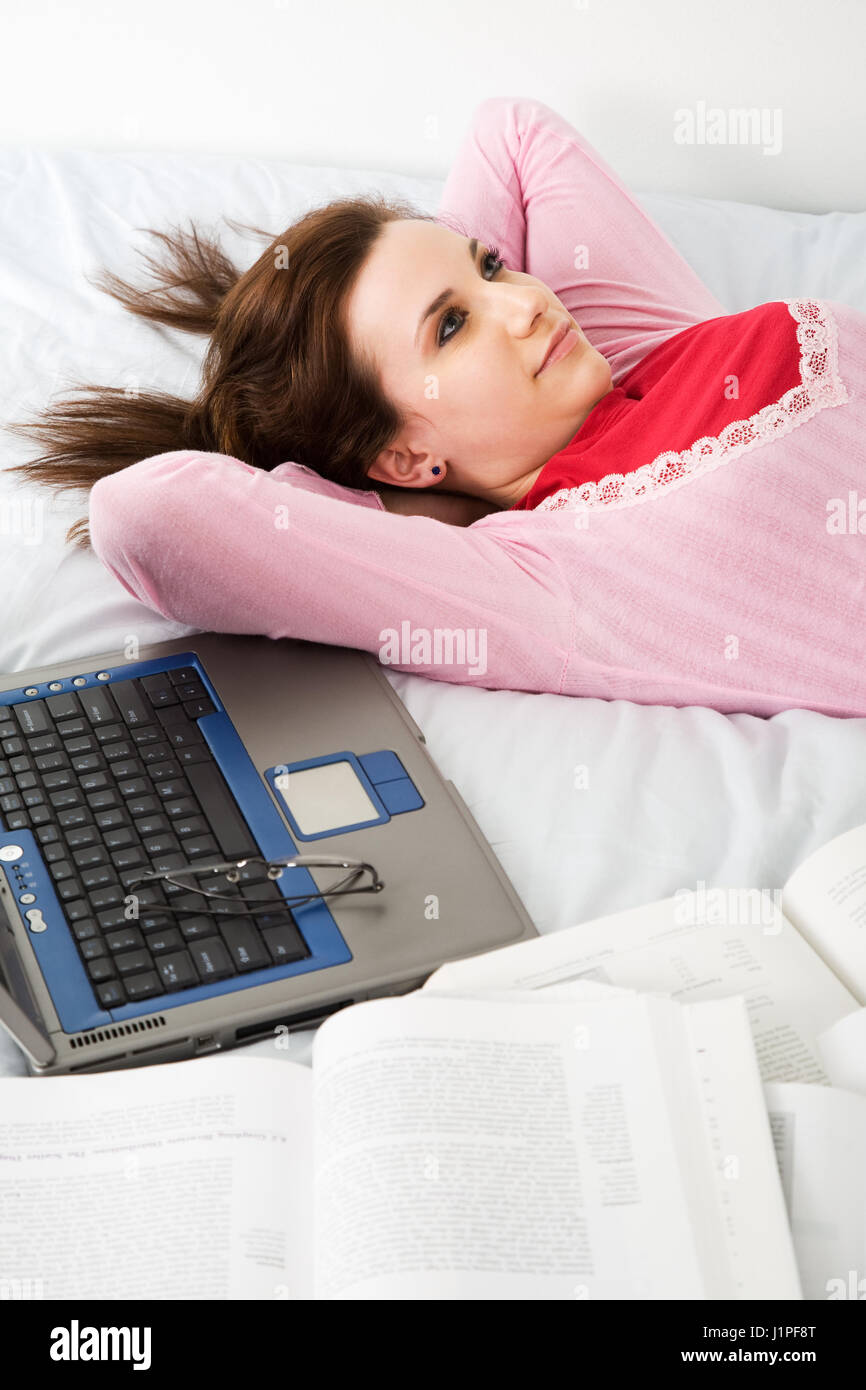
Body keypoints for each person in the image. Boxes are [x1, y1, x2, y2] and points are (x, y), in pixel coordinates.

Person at [6, 98, 866, 717]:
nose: (525, 301)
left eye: (490, 266)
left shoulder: (651, 348)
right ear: (404, 457)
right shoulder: (541, 577)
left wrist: (425, 291)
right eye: (451, 328)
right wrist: (421, 500)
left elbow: (515, 134)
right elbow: (149, 512)